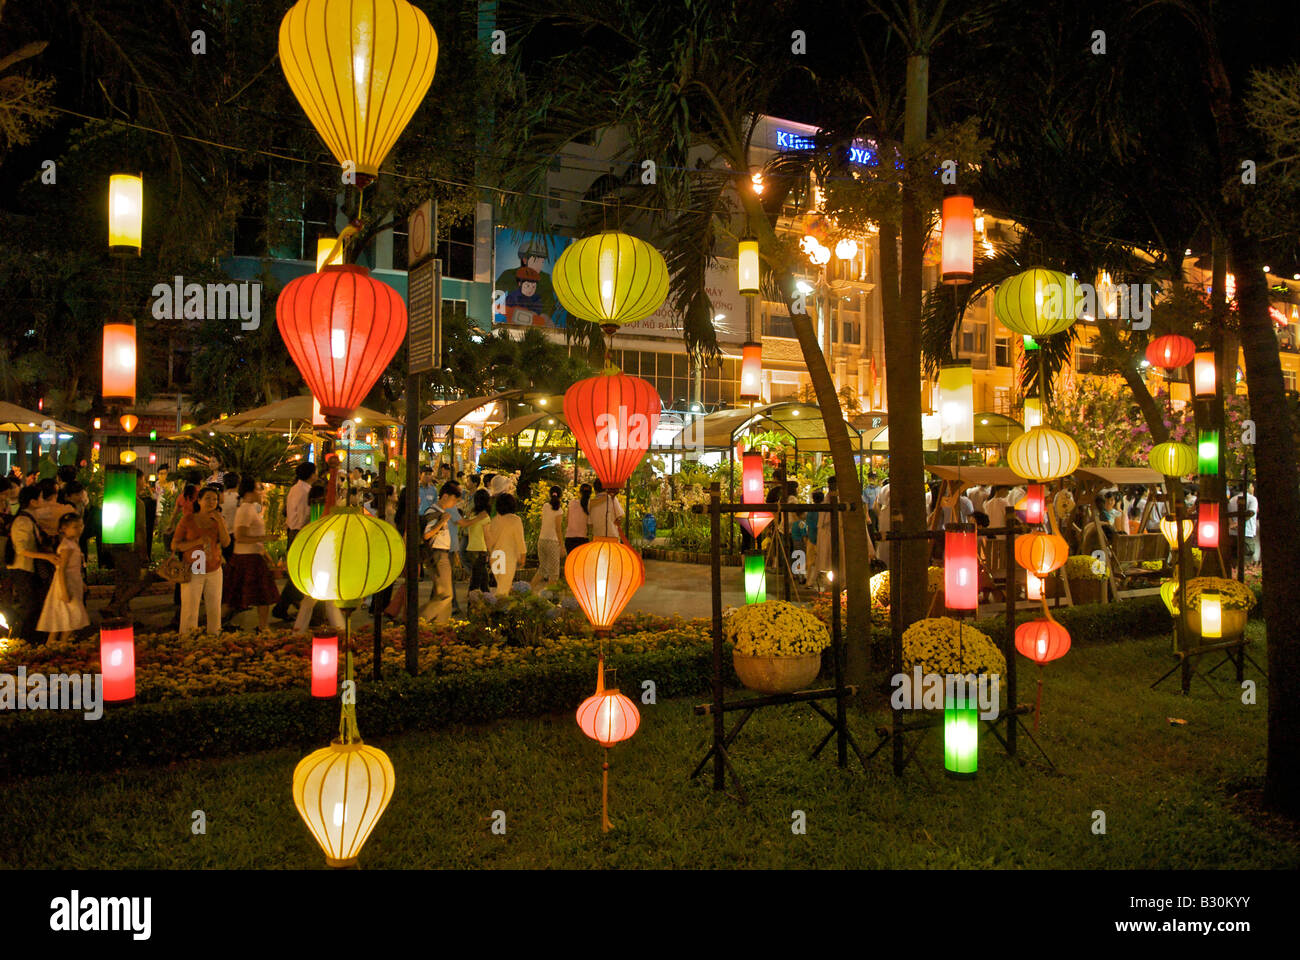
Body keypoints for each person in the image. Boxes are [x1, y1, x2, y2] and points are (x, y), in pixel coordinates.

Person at [2, 485, 60, 641]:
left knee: (34, 607)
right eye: (41, 497)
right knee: (30, 608)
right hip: (22, 569)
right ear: (33, 501)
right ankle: (24, 645)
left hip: (27, 569)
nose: (43, 500)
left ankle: (31, 644)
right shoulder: (22, 521)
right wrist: (46, 557)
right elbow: (21, 549)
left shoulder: (29, 519)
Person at [172, 487, 230, 636]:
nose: (212, 502)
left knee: (214, 608)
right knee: (190, 609)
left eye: (215, 499)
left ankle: (213, 639)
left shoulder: (218, 520)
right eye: (208, 498)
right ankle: (187, 640)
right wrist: (196, 542)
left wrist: (220, 522)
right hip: (194, 568)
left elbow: (226, 543)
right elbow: (175, 545)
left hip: (214, 568)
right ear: (199, 500)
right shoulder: (188, 519)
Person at [226, 478, 281, 633]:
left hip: (252, 555)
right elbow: (240, 536)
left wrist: (265, 553)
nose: (261, 492)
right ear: (249, 492)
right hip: (246, 557)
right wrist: (266, 538)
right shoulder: (245, 509)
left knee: (260, 595)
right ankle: (262, 627)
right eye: (258, 489)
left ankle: (263, 626)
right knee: (253, 594)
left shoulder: (250, 508)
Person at [103, 471, 157, 619]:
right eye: (143, 480)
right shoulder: (137, 503)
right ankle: (115, 606)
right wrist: (144, 553)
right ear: (136, 481)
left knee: (122, 582)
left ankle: (122, 616)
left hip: (115, 546)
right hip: (130, 548)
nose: (144, 483)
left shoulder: (114, 499)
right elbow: (140, 530)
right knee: (139, 581)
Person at [273, 461, 317, 622]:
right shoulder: (306, 491)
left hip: (293, 530)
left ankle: (285, 606)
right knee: (299, 571)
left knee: (297, 570)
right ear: (311, 474)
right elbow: (305, 514)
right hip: (300, 532)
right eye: (316, 471)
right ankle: (283, 606)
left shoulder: (294, 488)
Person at [36, 512, 89, 642]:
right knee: (72, 617)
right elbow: (61, 569)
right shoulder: (67, 546)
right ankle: (59, 646)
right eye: (75, 527)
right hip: (65, 583)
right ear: (63, 529)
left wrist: (81, 583)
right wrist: (64, 591)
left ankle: (56, 648)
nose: (79, 529)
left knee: (64, 619)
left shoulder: (73, 544)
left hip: (73, 582)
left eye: (81, 526)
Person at [418, 481, 462, 624]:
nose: (454, 503)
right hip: (438, 554)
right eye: (454, 499)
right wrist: (441, 521)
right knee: (446, 595)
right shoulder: (435, 513)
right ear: (445, 496)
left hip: (442, 553)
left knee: (443, 594)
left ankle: (441, 626)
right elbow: (427, 535)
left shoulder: (441, 512)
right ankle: (420, 619)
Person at [485, 493, 526, 596]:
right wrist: (523, 557)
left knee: (502, 586)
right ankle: (499, 610)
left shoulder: (494, 520)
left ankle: (498, 608)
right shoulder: (515, 520)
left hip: (495, 556)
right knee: (503, 590)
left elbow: (490, 541)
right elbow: (520, 540)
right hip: (507, 557)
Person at [531, 485, 566, 590]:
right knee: (554, 573)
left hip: (542, 540)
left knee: (543, 569)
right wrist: (562, 545)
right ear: (560, 496)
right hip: (553, 542)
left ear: (550, 494)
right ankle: (551, 597)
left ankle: (528, 590)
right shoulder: (559, 510)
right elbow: (558, 529)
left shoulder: (545, 506)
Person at [461, 488, 493, 593]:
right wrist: (491, 551)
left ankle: (486, 600)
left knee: (482, 579)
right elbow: (487, 536)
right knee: (477, 580)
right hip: (480, 550)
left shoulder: (473, 514)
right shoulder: (484, 516)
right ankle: (472, 602)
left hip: (471, 548)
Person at [1229, 482, 1259, 564]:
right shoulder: (1252, 499)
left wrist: (1232, 523)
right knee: (1245, 560)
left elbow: (1228, 514)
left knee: (1233, 560)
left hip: (1232, 534)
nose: (1253, 488)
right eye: (1252, 486)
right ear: (1248, 486)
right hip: (1246, 533)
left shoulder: (1232, 499)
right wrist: (1238, 524)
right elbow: (1251, 513)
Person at [565, 483, 593, 552]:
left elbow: (567, 520)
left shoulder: (571, 503)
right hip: (582, 539)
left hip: (569, 538)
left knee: (570, 562)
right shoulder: (590, 505)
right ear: (590, 493)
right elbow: (590, 525)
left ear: (580, 492)